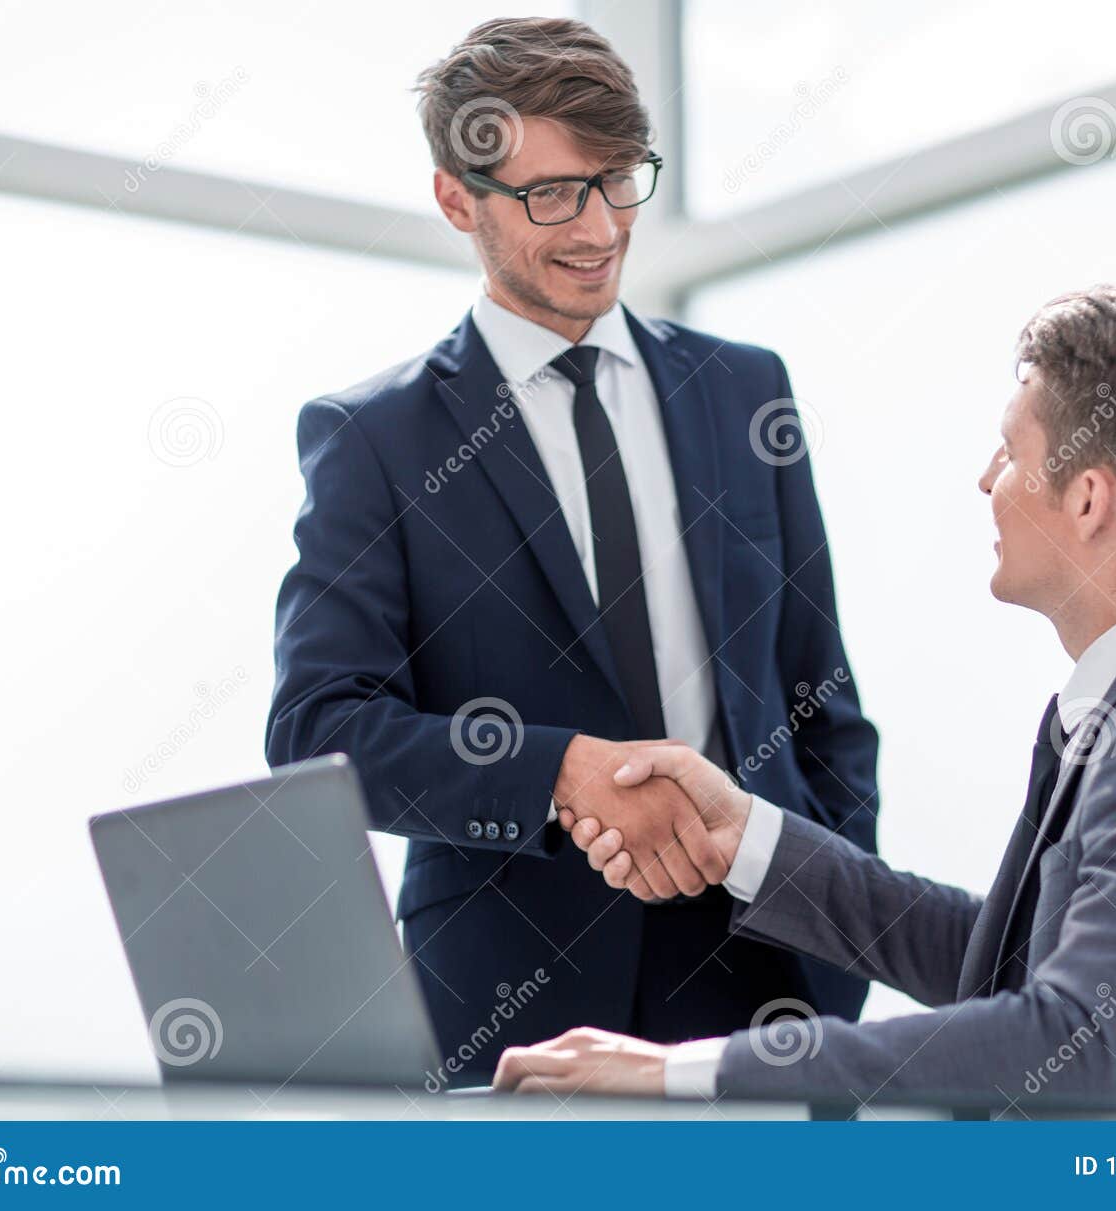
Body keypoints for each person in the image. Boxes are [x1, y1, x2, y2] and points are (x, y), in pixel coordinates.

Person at [493, 283, 1116, 1108]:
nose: (987, 481)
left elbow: (1075, 1046)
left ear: (1090, 498)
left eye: (1010, 453)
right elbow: (1004, 965)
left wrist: (685, 1073)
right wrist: (745, 835)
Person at [265, 17, 879, 1083]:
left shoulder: (743, 391)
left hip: (767, 981)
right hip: (516, 1000)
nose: (597, 226)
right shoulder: (377, 437)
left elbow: (822, 704)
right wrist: (559, 770)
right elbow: (320, 730)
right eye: (552, 193)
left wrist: (837, 934)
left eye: (617, 181)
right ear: (458, 199)